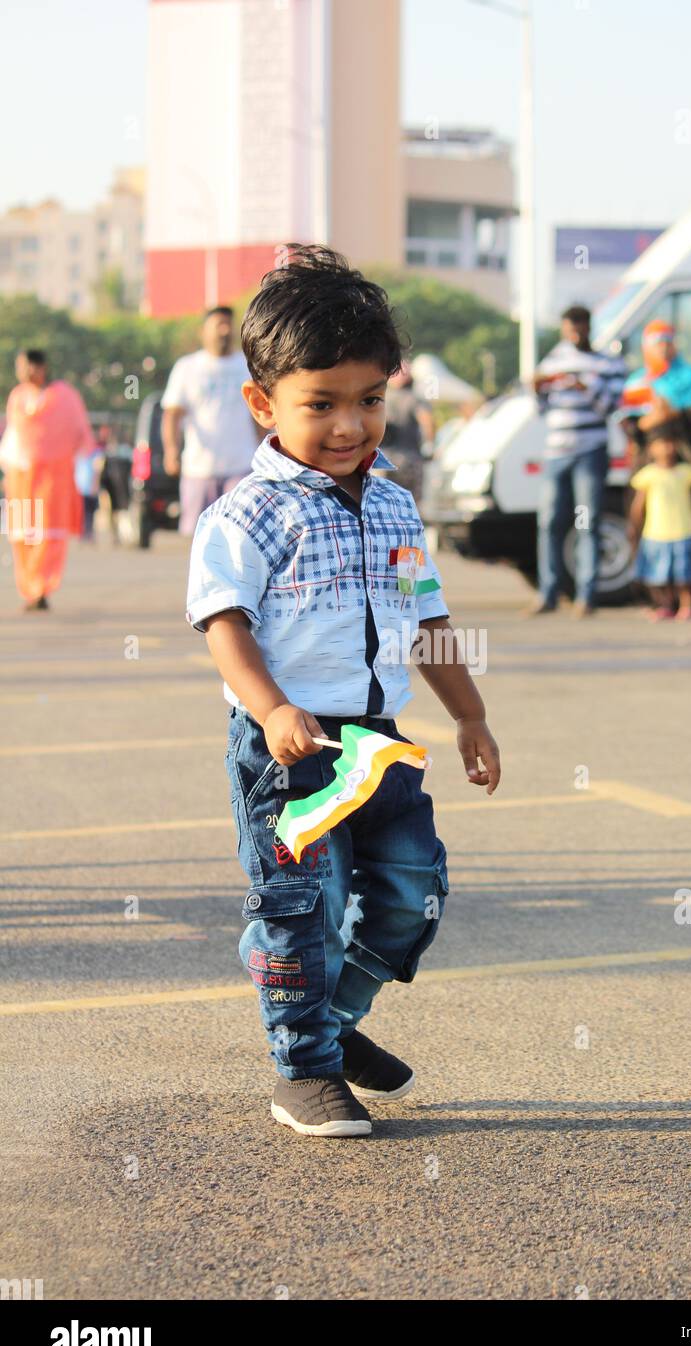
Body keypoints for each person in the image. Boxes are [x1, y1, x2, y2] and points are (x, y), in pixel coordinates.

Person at [185, 244, 501, 1139]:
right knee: (299, 909)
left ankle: (335, 1017)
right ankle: (305, 1068)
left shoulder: (396, 504)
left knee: (413, 892)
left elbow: (426, 617)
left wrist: (470, 715)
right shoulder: (248, 514)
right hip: (286, 745)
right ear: (263, 404)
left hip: (374, 737)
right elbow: (225, 625)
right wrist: (272, 706)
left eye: (368, 400)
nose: (348, 425)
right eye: (319, 404)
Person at [620, 320, 691, 614]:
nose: (664, 348)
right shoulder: (638, 381)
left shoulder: (690, 376)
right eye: (658, 343)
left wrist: (673, 416)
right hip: (647, 463)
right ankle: (657, 599)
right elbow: (628, 425)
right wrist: (649, 422)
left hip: (682, 460)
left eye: (668, 342)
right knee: (646, 526)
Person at [530, 305, 625, 619]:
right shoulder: (554, 360)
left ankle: (587, 595)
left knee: (589, 521)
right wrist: (538, 388)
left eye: (579, 328)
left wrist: (585, 385)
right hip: (557, 450)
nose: (574, 334)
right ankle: (549, 593)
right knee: (549, 522)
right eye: (569, 329)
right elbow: (542, 409)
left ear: (588, 327)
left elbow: (610, 407)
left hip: (591, 449)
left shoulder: (606, 363)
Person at [2, 349, 94, 612]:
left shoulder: (64, 397)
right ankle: (29, 587)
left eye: (25, 366)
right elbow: (13, 436)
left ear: (39, 367)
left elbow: (80, 433)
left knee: (49, 536)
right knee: (22, 536)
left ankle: (41, 587)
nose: (22, 372)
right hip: (20, 479)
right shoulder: (17, 397)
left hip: (53, 481)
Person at [161, 306, 261, 536]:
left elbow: (260, 413)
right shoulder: (187, 368)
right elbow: (172, 415)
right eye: (218, 325)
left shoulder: (247, 366)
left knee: (241, 534)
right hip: (199, 469)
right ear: (203, 331)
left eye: (228, 325)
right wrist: (171, 451)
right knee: (199, 537)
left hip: (242, 467)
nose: (224, 331)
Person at [628, 426, 691, 620]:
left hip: (683, 529)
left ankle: (688, 605)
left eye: (671, 444)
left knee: (685, 575)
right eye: (660, 444)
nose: (666, 448)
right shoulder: (648, 474)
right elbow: (638, 506)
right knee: (658, 574)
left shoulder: (686, 472)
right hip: (656, 532)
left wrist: (684, 448)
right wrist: (634, 525)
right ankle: (665, 606)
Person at [377, 359, 431, 500]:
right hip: (410, 460)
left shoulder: (380, 398)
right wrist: (429, 445)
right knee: (411, 505)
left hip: (383, 461)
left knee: (384, 504)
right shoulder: (415, 399)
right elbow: (427, 422)